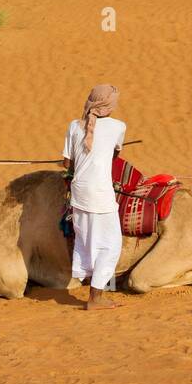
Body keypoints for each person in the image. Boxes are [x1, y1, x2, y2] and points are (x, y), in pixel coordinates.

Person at [62, 84, 126, 310]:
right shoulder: (118, 126)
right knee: (111, 245)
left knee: (86, 240)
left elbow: (66, 164)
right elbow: (115, 155)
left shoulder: (73, 126)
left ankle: (92, 283)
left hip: (79, 193)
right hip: (100, 193)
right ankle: (96, 297)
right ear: (110, 106)